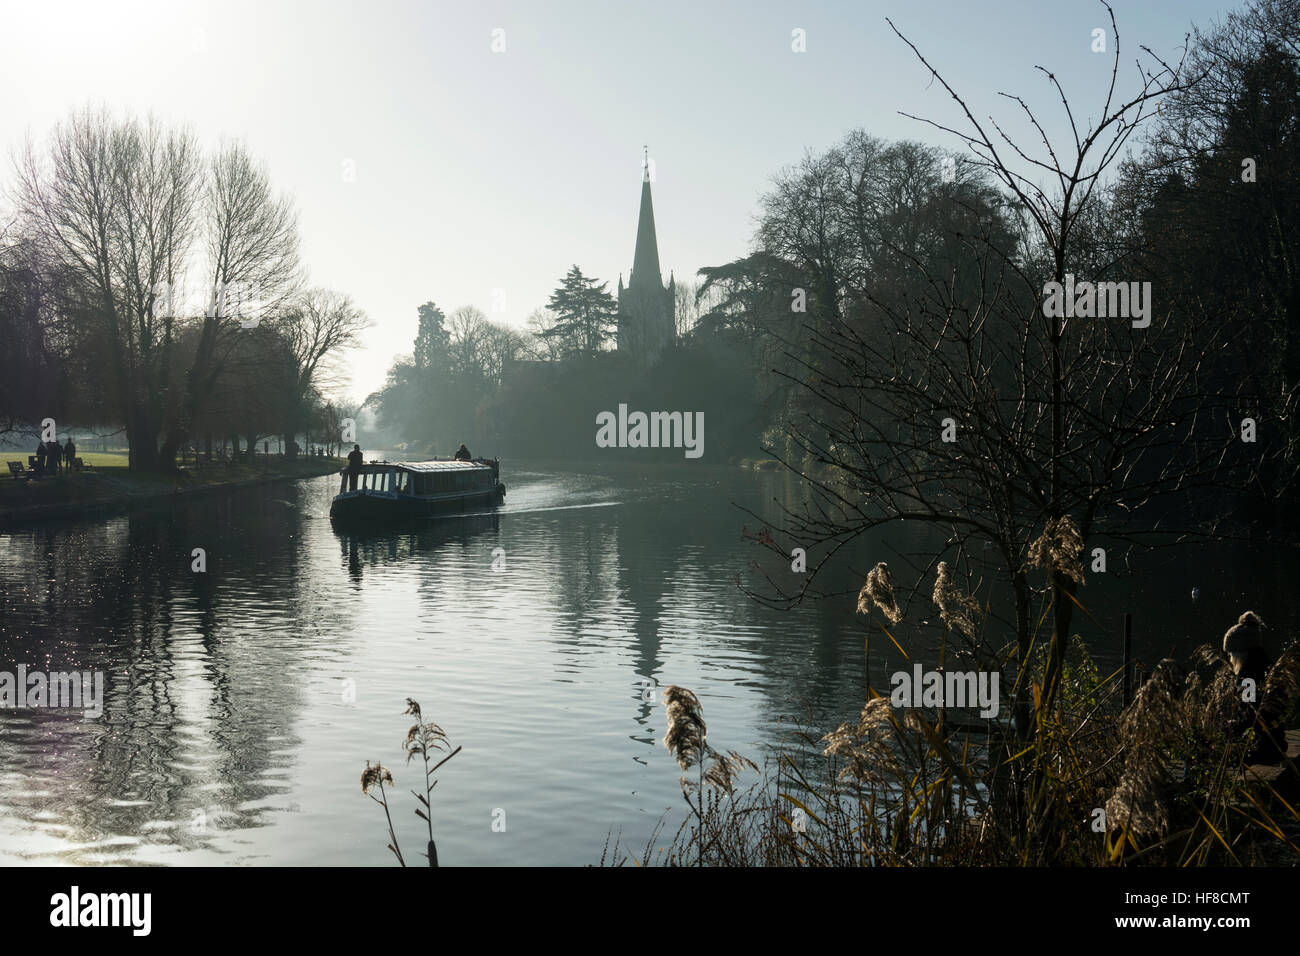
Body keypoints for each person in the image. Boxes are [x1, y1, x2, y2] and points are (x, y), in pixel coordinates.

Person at [1224, 611, 1286, 764]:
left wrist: (1229, 725)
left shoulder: (1249, 675)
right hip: (1277, 743)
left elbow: (1250, 715)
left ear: (1240, 652)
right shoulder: (1265, 663)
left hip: (1263, 750)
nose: (1230, 658)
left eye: (1231, 653)